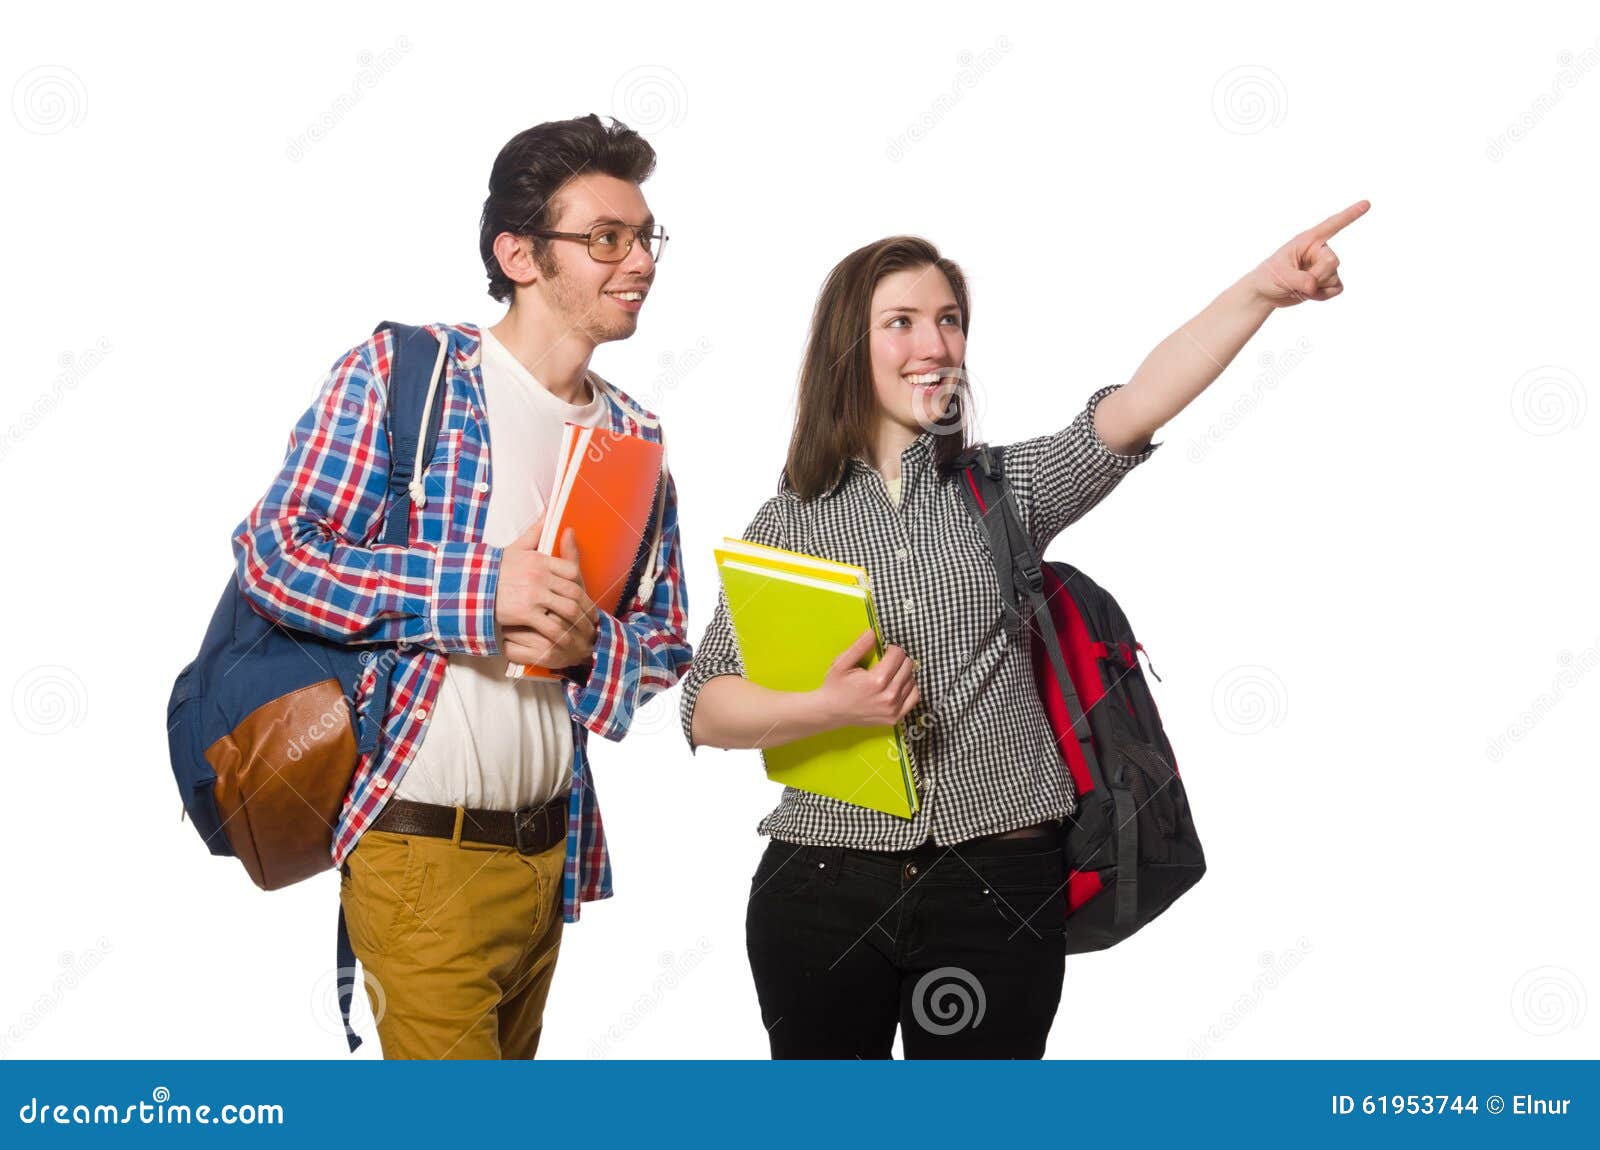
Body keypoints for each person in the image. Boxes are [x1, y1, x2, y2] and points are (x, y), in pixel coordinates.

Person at [679, 205, 1366, 1058]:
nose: (935, 344)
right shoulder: (785, 521)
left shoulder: (1007, 488)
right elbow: (705, 705)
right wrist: (825, 707)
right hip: (820, 883)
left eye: (950, 320)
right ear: (847, 352)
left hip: (997, 883)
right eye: (901, 322)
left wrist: (1262, 292)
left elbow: (1137, 403)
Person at [233, 114, 691, 1058]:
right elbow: (275, 553)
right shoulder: (411, 375)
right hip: (419, 853)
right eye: (607, 238)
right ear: (518, 253)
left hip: (549, 860)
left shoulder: (633, 441)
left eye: (647, 238)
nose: (639, 260)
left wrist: (585, 646)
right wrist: (479, 594)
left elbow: (666, 641)